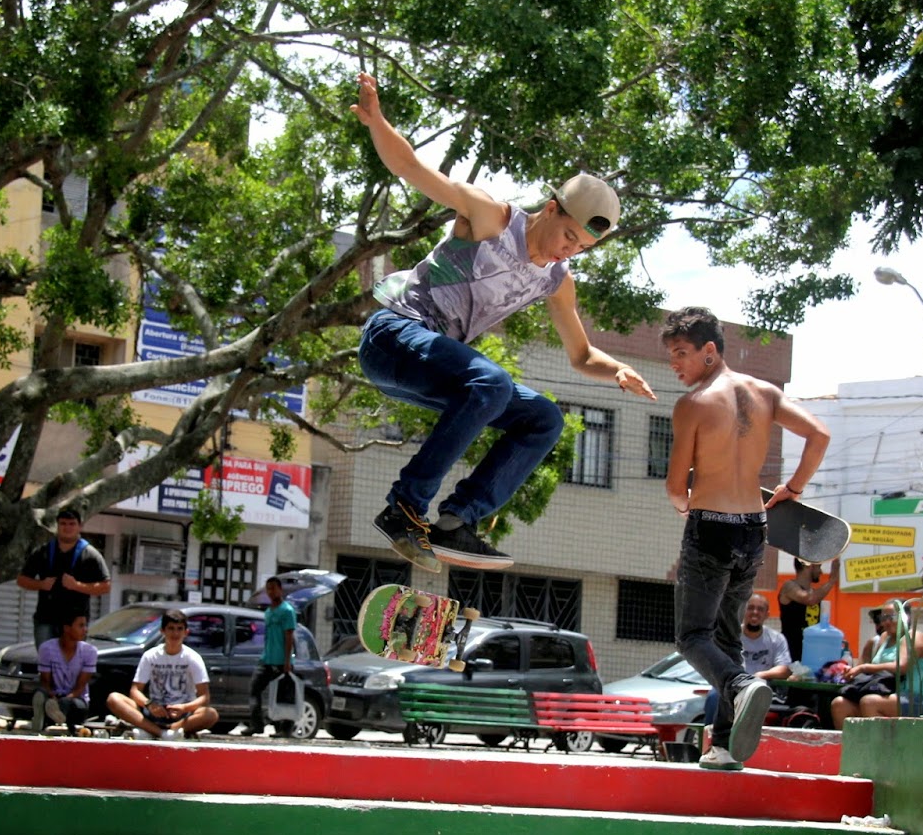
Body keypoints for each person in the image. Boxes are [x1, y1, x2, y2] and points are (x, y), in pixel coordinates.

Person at [349, 71, 657, 571]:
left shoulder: (556, 278)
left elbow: (580, 354)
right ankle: (404, 506)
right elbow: (412, 168)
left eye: (580, 248)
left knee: (543, 418)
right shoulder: (491, 218)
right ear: (552, 209)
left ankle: (456, 522)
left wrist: (616, 369)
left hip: (433, 368)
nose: (567, 252)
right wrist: (377, 121)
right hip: (394, 335)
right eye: (568, 237)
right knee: (490, 381)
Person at [662, 307, 829, 772]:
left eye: (681, 354)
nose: (676, 365)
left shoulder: (692, 405)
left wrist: (683, 504)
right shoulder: (767, 393)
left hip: (709, 525)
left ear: (709, 351)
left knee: (693, 637)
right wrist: (793, 488)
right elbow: (819, 434)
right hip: (755, 530)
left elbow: (677, 486)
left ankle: (739, 685)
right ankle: (724, 747)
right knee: (727, 639)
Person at [106, 609, 218, 740]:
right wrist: (149, 704)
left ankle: (169, 730)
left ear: (186, 632)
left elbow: (204, 696)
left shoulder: (193, 657)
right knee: (114, 699)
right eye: (171, 628)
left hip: (182, 713)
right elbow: (135, 690)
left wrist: (184, 707)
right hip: (154, 710)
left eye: (179, 629)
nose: (175, 633)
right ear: (162, 631)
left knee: (211, 714)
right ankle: (160, 733)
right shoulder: (150, 655)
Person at [831, 602, 923, 725]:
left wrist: (864, 667)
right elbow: (876, 670)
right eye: (883, 618)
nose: (886, 622)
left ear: (905, 616)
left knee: (870, 702)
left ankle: (879, 743)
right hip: (891, 695)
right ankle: (851, 744)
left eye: (892, 617)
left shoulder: (915, 637)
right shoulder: (884, 638)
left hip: (921, 699)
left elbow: (902, 667)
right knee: (840, 704)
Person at [15, 507, 111, 646]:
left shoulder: (90, 554)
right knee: (46, 663)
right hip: (45, 619)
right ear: (57, 526)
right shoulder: (44, 551)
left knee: (71, 665)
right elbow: (22, 580)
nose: (67, 528)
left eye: (72, 524)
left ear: (80, 526)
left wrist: (77, 586)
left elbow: (105, 586)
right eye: (63, 524)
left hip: (75, 622)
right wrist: (41, 584)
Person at [31, 614, 96, 736]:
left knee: (69, 705)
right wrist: (52, 695)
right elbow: (45, 680)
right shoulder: (47, 648)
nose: (85, 630)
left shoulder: (90, 651)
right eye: (81, 626)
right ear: (66, 628)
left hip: (76, 698)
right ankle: (49, 713)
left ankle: (54, 714)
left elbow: (81, 686)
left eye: (85, 625)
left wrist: (66, 699)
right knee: (40, 693)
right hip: (53, 695)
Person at [249, 576, 298, 733]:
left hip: (281, 661)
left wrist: (287, 661)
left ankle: (284, 729)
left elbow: (289, 636)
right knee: (254, 689)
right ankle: (256, 724)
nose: (270, 592)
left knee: (283, 696)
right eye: (268, 588)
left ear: (280, 589)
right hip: (266, 659)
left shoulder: (287, 611)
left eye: (273, 588)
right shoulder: (269, 611)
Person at [778, 556, 842, 666]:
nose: (821, 572)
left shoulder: (815, 593)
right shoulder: (789, 586)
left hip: (811, 655)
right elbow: (809, 599)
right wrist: (832, 580)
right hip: (791, 655)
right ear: (807, 565)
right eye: (819, 567)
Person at [739, 595, 793, 682]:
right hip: (734, 684)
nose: (755, 612)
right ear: (743, 611)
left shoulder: (776, 638)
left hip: (762, 685)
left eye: (760, 609)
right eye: (750, 608)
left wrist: (760, 675)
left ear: (767, 615)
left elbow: (784, 668)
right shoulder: (731, 635)